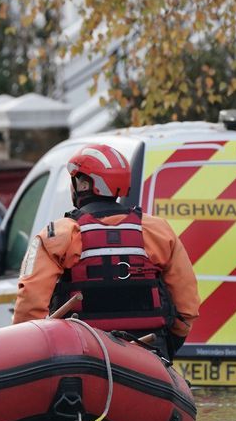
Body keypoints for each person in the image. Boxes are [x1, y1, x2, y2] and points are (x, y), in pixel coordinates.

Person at [12, 144, 200, 359]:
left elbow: (30, 303)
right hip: (149, 349)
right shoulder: (158, 230)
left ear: (83, 184)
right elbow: (187, 304)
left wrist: (30, 350)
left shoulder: (58, 235)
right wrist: (170, 338)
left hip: (82, 350)